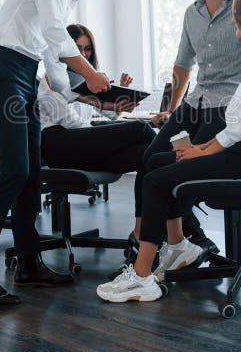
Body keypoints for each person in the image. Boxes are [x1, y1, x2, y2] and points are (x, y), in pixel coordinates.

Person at [96, 0, 241, 303]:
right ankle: (179, 245)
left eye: (238, 13)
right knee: (156, 161)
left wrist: (201, 149)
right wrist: (199, 149)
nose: (234, 18)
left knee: (156, 179)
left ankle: (142, 276)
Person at [0, 0, 113, 306]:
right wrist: (90, 72)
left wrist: (86, 95)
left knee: (30, 173)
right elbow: (55, 32)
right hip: (2, 68)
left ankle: (29, 263)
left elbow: (52, 58)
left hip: (23, 72)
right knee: (13, 172)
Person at [140, 0, 241, 258]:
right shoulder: (192, 12)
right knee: (152, 157)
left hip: (229, 103)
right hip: (196, 100)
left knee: (183, 164)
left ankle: (193, 239)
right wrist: (171, 108)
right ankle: (182, 238)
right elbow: (182, 64)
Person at [38, 24, 157, 211]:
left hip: (81, 146)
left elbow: (110, 115)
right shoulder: (53, 77)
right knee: (139, 129)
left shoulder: (86, 80)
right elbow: (71, 123)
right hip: (57, 146)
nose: (83, 55)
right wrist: (106, 136)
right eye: (77, 49)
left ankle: (142, 231)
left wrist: (118, 103)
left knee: (145, 155)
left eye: (87, 49)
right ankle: (182, 167)